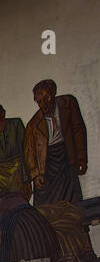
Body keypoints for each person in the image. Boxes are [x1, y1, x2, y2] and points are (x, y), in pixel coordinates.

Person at [25, 79, 87, 208]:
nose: (43, 104)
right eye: (39, 101)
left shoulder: (68, 103)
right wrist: (36, 175)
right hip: (47, 164)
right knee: (47, 208)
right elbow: (29, 152)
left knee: (72, 201)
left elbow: (78, 130)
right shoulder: (33, 125)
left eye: (47, 98)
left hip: (66, 157)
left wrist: (81, 158)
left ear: (54, 94)